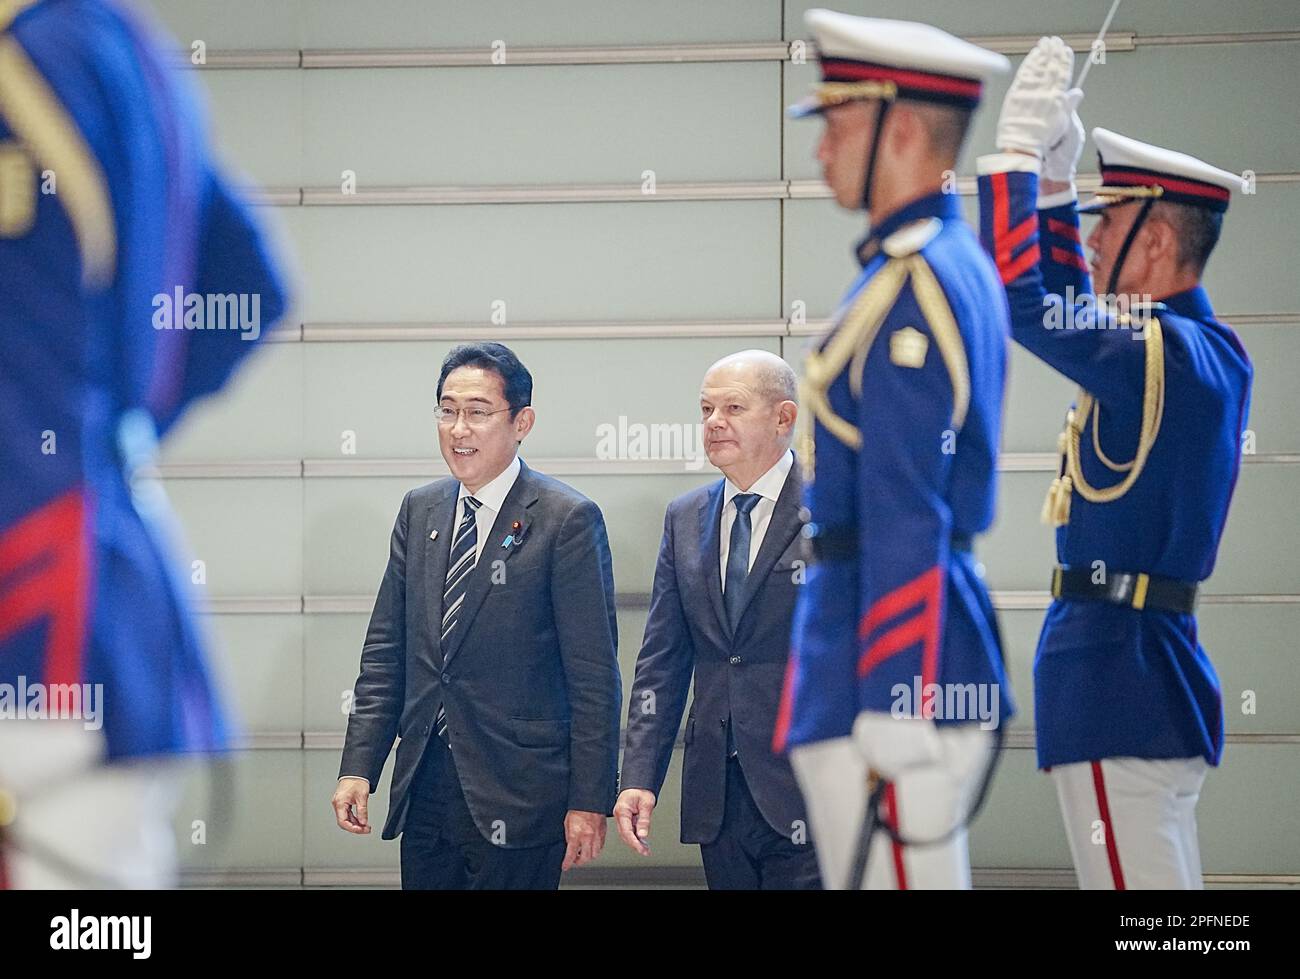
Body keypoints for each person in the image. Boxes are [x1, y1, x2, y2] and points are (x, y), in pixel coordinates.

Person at [0, 0, 291, 887]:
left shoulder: (24, 64)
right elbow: (252, 280)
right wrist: (108, 437)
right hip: (103, 605)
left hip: (30, 620)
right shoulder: (136, 55)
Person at [975, 37, 1252, 889]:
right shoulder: (1191, 348)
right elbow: (1069, 309)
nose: (1091, 245)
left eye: (1108, 224)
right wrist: (1054, 193)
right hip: (1135, 671)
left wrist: (1016, 164)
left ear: (1160, 241)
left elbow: (1027, 307)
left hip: (1117, 679)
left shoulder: (1165, 351)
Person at [772, 9, 1014, 890]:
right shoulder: (935, 265)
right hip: (876, 645)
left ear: (901, 128)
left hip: (888, 660)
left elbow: (910, 504)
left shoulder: (916, 283)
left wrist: (895, 694)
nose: (821, 149)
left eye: (837, 123)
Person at [332, 342, 622, 890]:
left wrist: (589, 799)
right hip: (426, 784)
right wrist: (359, 767)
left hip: (521, 792)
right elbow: (386, 652)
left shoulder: (567, 520)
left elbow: (593, 677)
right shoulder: (422, 510)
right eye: (447, 411)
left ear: (522, 422)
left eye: (478, 412)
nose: (459, 428)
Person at [615, 350, 819, 889]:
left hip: (812, 790)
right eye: (705, 409)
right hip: (718, 798)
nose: (713, 423)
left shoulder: (834, 512)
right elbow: (661, 661)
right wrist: (639, 776)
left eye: (733, 407)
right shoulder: (685, 517)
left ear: (784, 418)